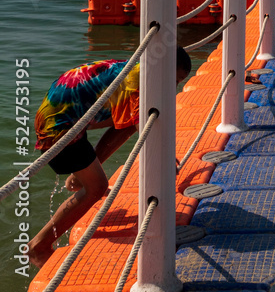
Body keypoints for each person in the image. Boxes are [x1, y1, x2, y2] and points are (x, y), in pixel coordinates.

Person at [29, 47, 192, 267]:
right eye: (174, 80)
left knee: (130, 120)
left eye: (179, 83)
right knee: (97, 188)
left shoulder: (140, 67)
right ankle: (39, 246)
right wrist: (165, 156)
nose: (173, 88)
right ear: (162, 69)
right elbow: (148, 136)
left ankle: (79, 178)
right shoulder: (139, 81)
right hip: (58, 128)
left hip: (68, 115)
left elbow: (129, 124)